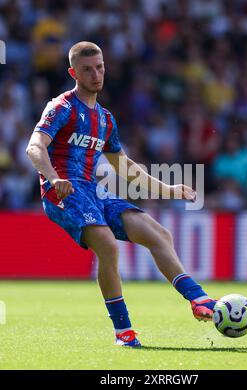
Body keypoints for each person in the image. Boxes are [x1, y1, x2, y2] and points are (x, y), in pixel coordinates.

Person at [26, 41, 216, 347]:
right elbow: (35, 146)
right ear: (73, 72)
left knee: (158, 233)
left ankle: (199, 300)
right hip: (64, 189)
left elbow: (125, 167)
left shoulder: (105, 119)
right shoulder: (61, 107)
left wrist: (169, 189)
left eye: (99, 67)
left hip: (92, 190)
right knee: (109, 246)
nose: (96, 74)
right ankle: (123, 332)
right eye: (87, 69)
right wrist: (53, 177)